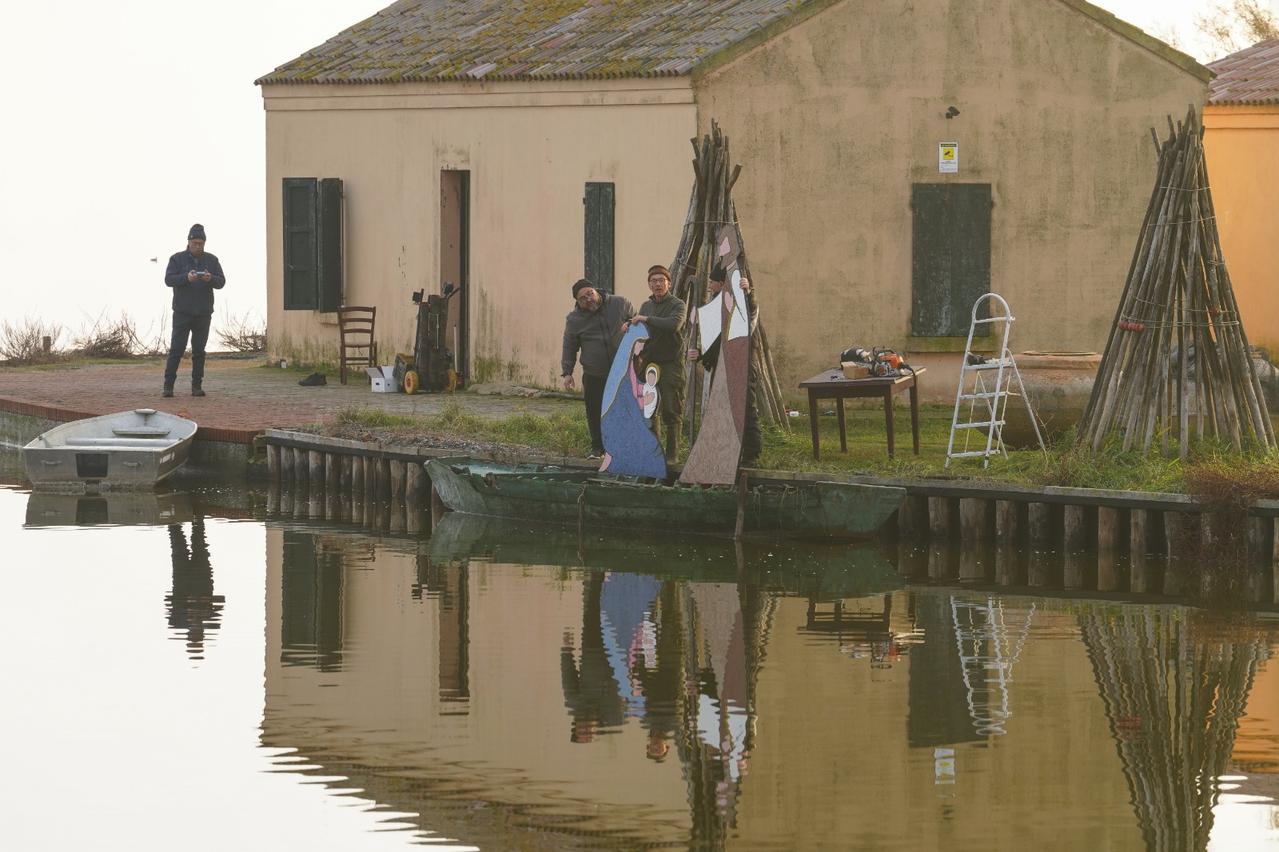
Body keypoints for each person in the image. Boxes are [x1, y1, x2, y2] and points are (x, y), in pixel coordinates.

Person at [688, 265, 762, 465]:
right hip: (721, 367)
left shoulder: (741, 301)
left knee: (745, 409)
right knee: (723, 410)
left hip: (741, 364)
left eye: (712, 282)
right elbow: (712, 341)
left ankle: (751, 454)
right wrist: (699, 354)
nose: (709, 286)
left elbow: (751, 311)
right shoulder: (714, 305)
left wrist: (747, 292)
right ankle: (727, 451)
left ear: (721, 283)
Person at [561, 278, 635, 458]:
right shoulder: (574, 319)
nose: (588, 299)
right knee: (595, 411)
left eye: (590, 294)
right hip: (594, 372)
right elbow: (569, 345)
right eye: (582, 298)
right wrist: (567, 372)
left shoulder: (620, 303)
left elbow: (636, 322)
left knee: (625, 409)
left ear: (595, 290)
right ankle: (598, 448)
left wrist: (631, 325)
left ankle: (625, 447)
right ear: (577, 302)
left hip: (622, 369)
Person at [628, 265, 686, 461]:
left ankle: (672, 457)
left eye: (661, 280)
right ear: (649, 285)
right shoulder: (646, 306)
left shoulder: (677, 305)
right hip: (649, 363)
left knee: (671, 409)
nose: (658, 284)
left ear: (669, 283)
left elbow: (673, 325)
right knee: (649, 409)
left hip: (670, 363)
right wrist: (629, 326)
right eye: (654, 281)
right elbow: (641, 330)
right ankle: (654, 456)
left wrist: (646, 319)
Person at [163, 224, 226, 397]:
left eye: (201, 243)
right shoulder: (177, 259)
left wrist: (210, 278)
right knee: (177, 349)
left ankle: (196, 386)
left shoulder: (212, 260)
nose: (198, 246)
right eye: (195, 243)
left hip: (203, 313)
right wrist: (186, 278)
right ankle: (168, 386)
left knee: (199, 351)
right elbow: (168, 280)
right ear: (189, 242)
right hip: (182, 312)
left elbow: (221, 282)